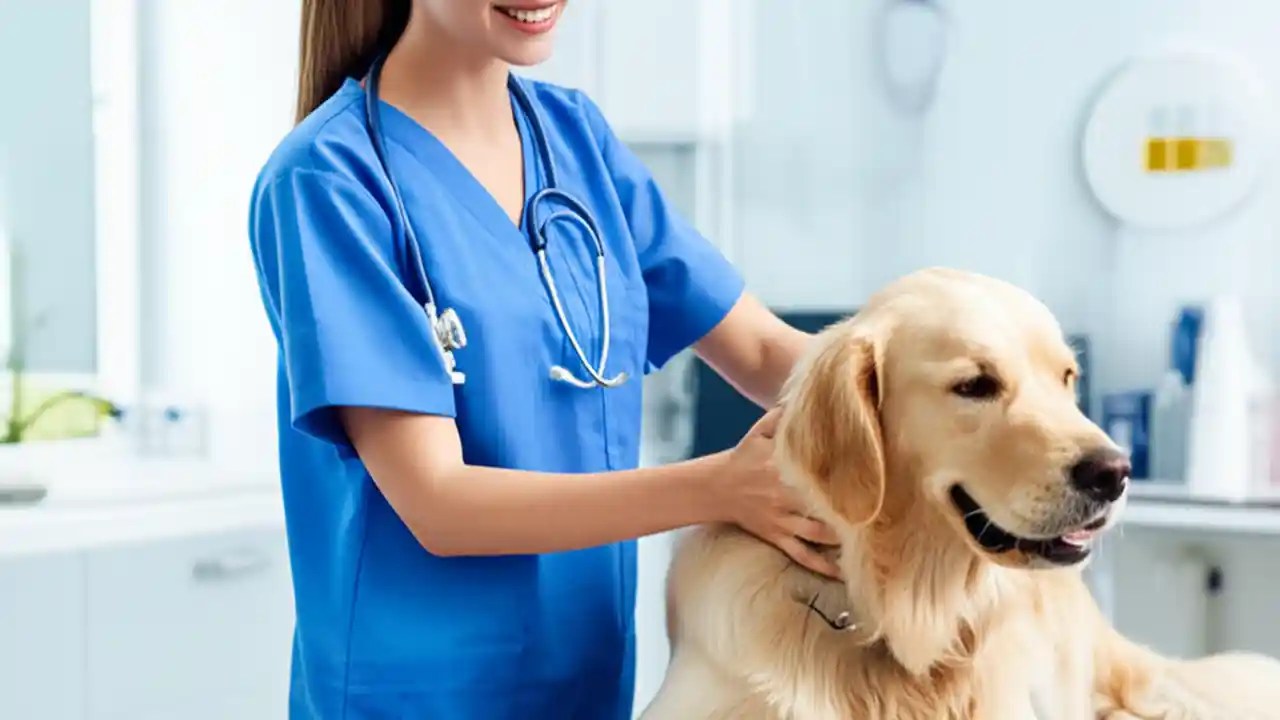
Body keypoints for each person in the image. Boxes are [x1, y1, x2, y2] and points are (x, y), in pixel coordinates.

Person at [247, 1, 840, 717]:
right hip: (414, 697)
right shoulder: (328, 177)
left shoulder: (574, 138)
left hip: (583, 686)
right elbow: (438, 502)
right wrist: (719, 487)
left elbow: (765, 350)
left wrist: (925, 384)